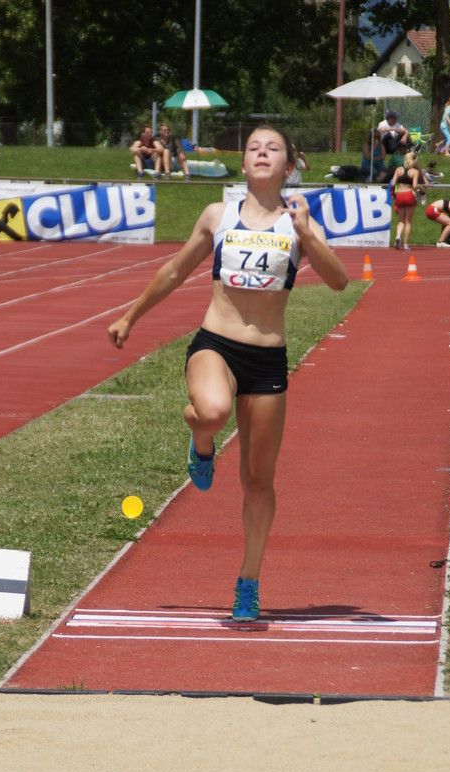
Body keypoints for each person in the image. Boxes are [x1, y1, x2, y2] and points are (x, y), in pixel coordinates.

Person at [107, 125, 348, 621]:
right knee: (212, 410)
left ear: (289, 165)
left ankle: (248, 580)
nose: (262, 153)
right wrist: (131, 316)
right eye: (254, 147)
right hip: (215, 344)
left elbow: (339, 280)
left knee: (259, 483)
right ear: (244, 163)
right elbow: (175, 270)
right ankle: (200, 439)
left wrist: (306, 236)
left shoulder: (299, 221)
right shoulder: (218, 215)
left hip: (268, 360)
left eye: (273, 148)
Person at [391, 152, 421, 250]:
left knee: (400, 221)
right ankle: (406, 244)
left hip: (399, 194)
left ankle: (398, 236)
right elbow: (415, 185)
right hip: (409, 194)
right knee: (408, 221)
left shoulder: (398, 170)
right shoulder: (414, 171)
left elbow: (393, 183)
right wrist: (421, 187)